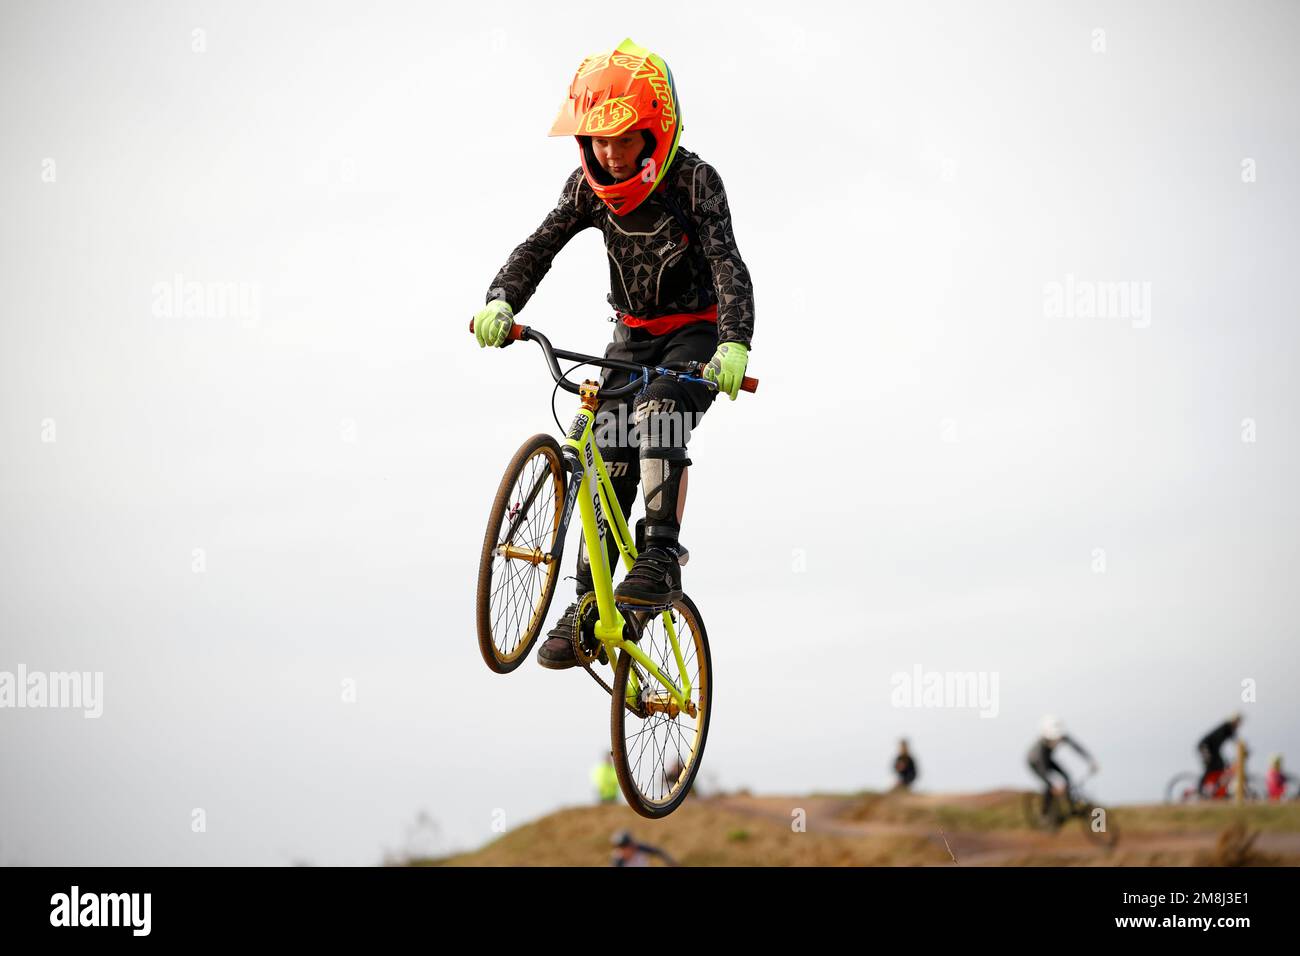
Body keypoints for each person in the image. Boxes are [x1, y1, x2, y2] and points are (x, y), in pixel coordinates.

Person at [472, 38, 755, 670]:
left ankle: (658, 558)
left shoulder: (695, 181)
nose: (608, 152)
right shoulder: (588, 188)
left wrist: (734, 342)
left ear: (656, 130)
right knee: (603, 445)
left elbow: (728, 264)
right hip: (629, 339)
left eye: (622, 138)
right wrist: (501, 300)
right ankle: (585, 605)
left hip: (696, 336)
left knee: (658, 410)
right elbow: (538, 245)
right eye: (596, 139)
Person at [1026, 716, 1097, 822]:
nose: (1057, 739)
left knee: (1067, 777)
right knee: (1049, 786)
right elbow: (1043, 766)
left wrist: (1090, 761)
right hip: (1036, 763)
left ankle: (1071, 808)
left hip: (1048, 759)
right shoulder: (1041, 746)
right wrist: (1054, 784)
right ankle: (1044, 813)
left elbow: (1077, 747)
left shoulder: (1062, 736)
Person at [1196, 712, 1243, 797]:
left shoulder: (1230, 730)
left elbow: (1236, 742)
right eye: (1237, 721)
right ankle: (1200, 789)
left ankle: (1216, 789)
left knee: (1221, 766)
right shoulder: (1226, 727)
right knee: (1210, 766)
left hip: (1213, 749)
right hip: (1205, 747)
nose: (1238, 724)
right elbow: (1234, 741)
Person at [609, 829, 677, 867]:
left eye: (624, 847)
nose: (622, 851)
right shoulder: (618, 860)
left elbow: (658, 851)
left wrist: (670, 862)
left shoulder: (640, 848)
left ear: (631, 845)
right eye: (620, 848)